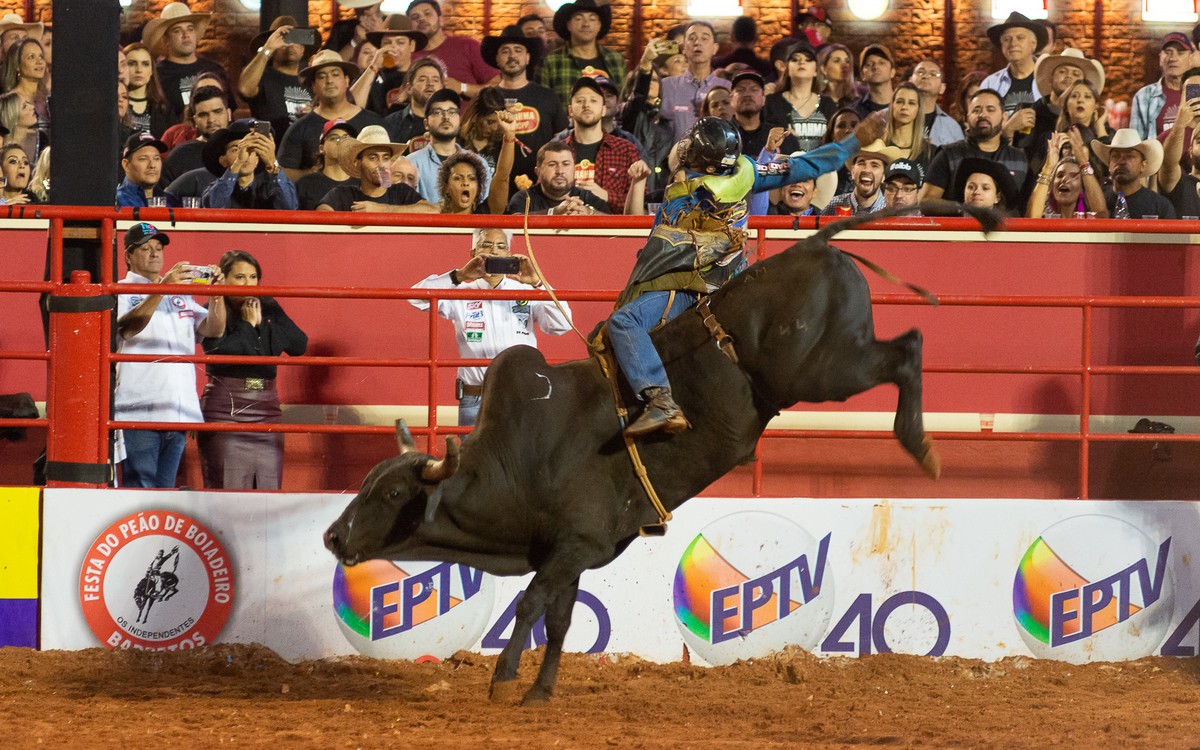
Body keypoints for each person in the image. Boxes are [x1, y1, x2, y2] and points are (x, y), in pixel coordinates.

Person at [607, 111, 886, 436]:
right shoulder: (747, 173)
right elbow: (807, 165)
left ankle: (660, 401)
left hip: (686, 288)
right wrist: (854, 141)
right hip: (735, 281)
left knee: (623, 322)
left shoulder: (683, 186)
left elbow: (659, 242)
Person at [409, 228, 572, 427]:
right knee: (473, 449)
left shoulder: (529, 291)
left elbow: (561, 325)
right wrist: (459, 275)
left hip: (523, 396)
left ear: (509, 254)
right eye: (486, 245)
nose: (494, 251)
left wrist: (539, 283)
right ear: (473, 253)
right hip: (475, 397)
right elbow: (415, 298)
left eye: (501, 246)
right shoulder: (459, 292)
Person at [115, 223, 225, 488]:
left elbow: (213, 329)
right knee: (141, 490)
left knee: (164, 493)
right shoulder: (119, 290)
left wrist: (218, 296)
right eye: (145, 248)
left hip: (178, 410)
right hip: (137, 410)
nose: (155, 253)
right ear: (128, 256)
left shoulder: (180, 293)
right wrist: (162, 288)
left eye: (159, 248)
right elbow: (128, 328)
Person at [199, 250, 307, 490]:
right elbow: (225, 354)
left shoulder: (268, 305)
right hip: (226, 411)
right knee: (228, 492)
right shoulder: (214, 310)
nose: (248, 284)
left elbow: (299, 345)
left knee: (268, 493)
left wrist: (264, 325)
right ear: (224, 279)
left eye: (253, 277)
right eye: (240, 277)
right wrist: (248, 325)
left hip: (267, 409)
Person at [278, 50, 385, 183]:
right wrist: (311, 173)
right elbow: (282, 173)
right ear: (314, 86)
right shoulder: (300, 128)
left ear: (346, 80)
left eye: (335, 74)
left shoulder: (373, 122)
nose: (329, 80)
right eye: (322, 76)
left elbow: (390, 166)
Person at [483, 25, 564, 187]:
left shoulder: (548, 96)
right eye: (505, 51)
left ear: (528, 57)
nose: (512, 56)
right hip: (496, 185)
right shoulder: (485, 99)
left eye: (518, 50)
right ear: (497, 58)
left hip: (542, 186)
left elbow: (562, 141)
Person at [921, 89, 1030, 204]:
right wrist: (964, 208)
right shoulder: (949, 154)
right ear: (967, 118)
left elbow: (1027, 204)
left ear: (1004, 117)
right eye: (976, 110)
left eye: (990, 110)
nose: (983, 114)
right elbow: (926, 201)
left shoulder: (1020, 158)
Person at [561, 76, 644, 214]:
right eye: (580, 100)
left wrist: (606, 195)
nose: (586, 105)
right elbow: (542, 195)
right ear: (570, 111)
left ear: (604, 109)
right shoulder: (557, 150)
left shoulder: (626, 150)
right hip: (564, 225)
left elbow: (641, 205)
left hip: (611, 226)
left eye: (593, 100)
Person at [317, 124, 436, 212]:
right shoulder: (343, 195)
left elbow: (431, 210)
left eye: (386, 158)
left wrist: (380, 209)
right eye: (373, 158)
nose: (381, 164)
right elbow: (321, 213)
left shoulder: (401, 192)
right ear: (357, 162)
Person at [239, 16, 318, 141]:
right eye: (283, 40)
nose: (290, 44)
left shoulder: (311, 83)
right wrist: (267, 48)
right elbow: (244, 89)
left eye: (295, 38)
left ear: (303, 49)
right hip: (270, 149)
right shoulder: (262, 77)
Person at [407, 88, 493, 203]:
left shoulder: (478, 163)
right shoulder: (411, 163)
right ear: (426, 123)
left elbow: (486, 207)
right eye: (438, 112)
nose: (446, 117)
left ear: (459, 120)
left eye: (452, 112)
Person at [144, 2, 226, 119]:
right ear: (166, 39)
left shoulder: (215, 70)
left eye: (190, 29)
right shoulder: (156, 75)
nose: (186, 35)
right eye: (177, 30)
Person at [539, 0, 626, 109]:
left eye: (592, 19)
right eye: (579, 19)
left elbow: (623, 101)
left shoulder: (615, 60)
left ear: (599, 25)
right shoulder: (552, 61)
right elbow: (543, 106)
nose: (586, 24)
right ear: (568, 25)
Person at [407, 0, 498, 97]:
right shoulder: (408, 56)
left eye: (427, 13)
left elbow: (498, 85)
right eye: (415, 17)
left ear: (440, 19)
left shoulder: (467, 46)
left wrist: (463, 88)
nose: (421, 19)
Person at [1021, 48, 1104, 154]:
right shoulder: (1029, 111)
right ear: (1050, 78)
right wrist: (1008, 131)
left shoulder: (1095, 119)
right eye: (1062, 71)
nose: (1069, 76)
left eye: (1076, 74)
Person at [201, 121, 299, 210]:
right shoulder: (214, 189)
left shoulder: (270, 189)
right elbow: (213, 208)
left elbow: (289, 207)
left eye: (250, 149)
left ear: (257, 160)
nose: (245, 154)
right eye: (236, 149)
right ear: (223, 161)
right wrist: (238, 162)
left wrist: (272, 163)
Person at [660, 21, 728, 141]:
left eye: (704, 38)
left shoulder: (727, 88)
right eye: (692, 38)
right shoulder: (665, 86)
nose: (697, 43)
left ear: (715, 48)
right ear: (684, 48)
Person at [764, 41, 835, 153]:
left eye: (808, 59)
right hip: (782, 162)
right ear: (787, 69)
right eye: (795, 59)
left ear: (816, 71)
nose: (802, 62)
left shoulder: (828, 104)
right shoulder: (772, 102)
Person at [505, 140, 609, 215]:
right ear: (538, 172)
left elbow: (614, 224)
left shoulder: (587, 197)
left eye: (566, 164)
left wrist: (590, 213)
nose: (560, 171)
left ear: (574, 170)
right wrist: (553, 213)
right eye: (552, 164)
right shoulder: (524, 198)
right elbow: (513, 222)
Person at [350, 14, 426, 116]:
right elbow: (351, 108)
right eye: (387, 42)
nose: (393, 47)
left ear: (412, 45)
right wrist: (373, 66)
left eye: (400, 42)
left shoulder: (421, 76)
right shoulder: (369, 75)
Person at [1094, 129, 1176, 219]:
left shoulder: (1160, 206)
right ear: (1109, 164)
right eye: (1116, 156)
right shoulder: (1098, 200)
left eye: (1130, 156)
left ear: (1143, 165)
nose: (1121, 161)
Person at [980, 12, 1047, 117]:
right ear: (1002, 46)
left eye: (1020, 38)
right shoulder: (990, 84)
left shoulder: (1049, 79)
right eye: (1007, 39)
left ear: (1033, 44)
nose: (1013, 43)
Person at [1027, 131, 1106, 218]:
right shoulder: (1045, 218)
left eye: (1073, 176)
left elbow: (1101, 215)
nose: (1064, 179)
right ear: (1051, 186)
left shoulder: (1088, 219)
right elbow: (1032, 217)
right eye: (1060, 175)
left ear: (1082, 188)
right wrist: (1048, 169)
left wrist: (1084, 163)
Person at [160, 86, 230, 185]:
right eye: (203, 115)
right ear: (195, 120)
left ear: (229, 114)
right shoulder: (181, 155)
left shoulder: (243, 148)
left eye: (217, 112)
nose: (211, 120)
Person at [1132, 32, 1194, 141]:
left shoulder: (1197, 93)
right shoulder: (1144, 96)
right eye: (1167, 52)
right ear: (1160, 58)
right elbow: (1136, 143)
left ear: (1190, 59)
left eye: (1180, 53)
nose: (1173, 58)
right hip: (1157, 152)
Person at [295, 119, 356, 211]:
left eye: (346, 138)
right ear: (321, 148)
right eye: (334, 138)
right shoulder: (305, 184)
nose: (341, 142)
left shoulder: (363, 184)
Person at [820, 140, 895, 215]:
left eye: (874, 165)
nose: (866, 170)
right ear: (852, 171)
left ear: (884, 175)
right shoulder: (831, 207)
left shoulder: (893, 211)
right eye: (861, 163)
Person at [1159, 82, 1200, 218]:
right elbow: (1168, 163)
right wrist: (1180, 124)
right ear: (1190, 150)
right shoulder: (1180, 184)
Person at [382, 57, 445, 145]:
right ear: (409, 88)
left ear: (441, 88)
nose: (430, 83)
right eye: (422, 79)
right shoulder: (390, 123)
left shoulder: (451, 122)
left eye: (435, 80)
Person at [908, 59, 964, 148]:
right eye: (920, 72)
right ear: (910, 81)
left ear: (942, 88)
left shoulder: (952, 127)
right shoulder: (887, 116)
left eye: (933, 74)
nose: (925, 76)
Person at [123, 42, 173, 139]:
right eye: (132, 63)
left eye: (145, 64)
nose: (139, 70)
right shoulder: (116, 106)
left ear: (151, 70)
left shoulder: (164, 108)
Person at [117, 132, 176, 208]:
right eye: (143, 159)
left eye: (156, 158)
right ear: (126, 165)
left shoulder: (171, 200)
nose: (152, 165)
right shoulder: (118, 200)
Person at [949, 157, 1019, 214]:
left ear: (997, 197)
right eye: (971, 187)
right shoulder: (948, 226)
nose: (976, 192)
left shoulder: (1006, 228)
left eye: (985, 188)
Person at [881, 82, 929, 165]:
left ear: (918, 109)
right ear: (892, 105)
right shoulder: (878, 146)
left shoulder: (929, 151)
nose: (904, 107)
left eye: (911, 103)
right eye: (899, 102)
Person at [852, 44, 895, 118]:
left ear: (892, 72)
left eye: (881, 63)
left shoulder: (907, 108)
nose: (876, 67)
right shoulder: (853, 113)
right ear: (862, 74)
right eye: (869, 64)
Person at [0, 91, 39, 166]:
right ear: (13, 118)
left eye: (28, 103)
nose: (32, 107)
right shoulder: (2, 147)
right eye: (24, 107)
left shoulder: (41, 138)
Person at [817, 43, 861, 108]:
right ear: (824, 69)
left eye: (847, 61)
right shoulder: (815, 100)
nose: (844, 65)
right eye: (837, 61)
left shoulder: (858, 101)